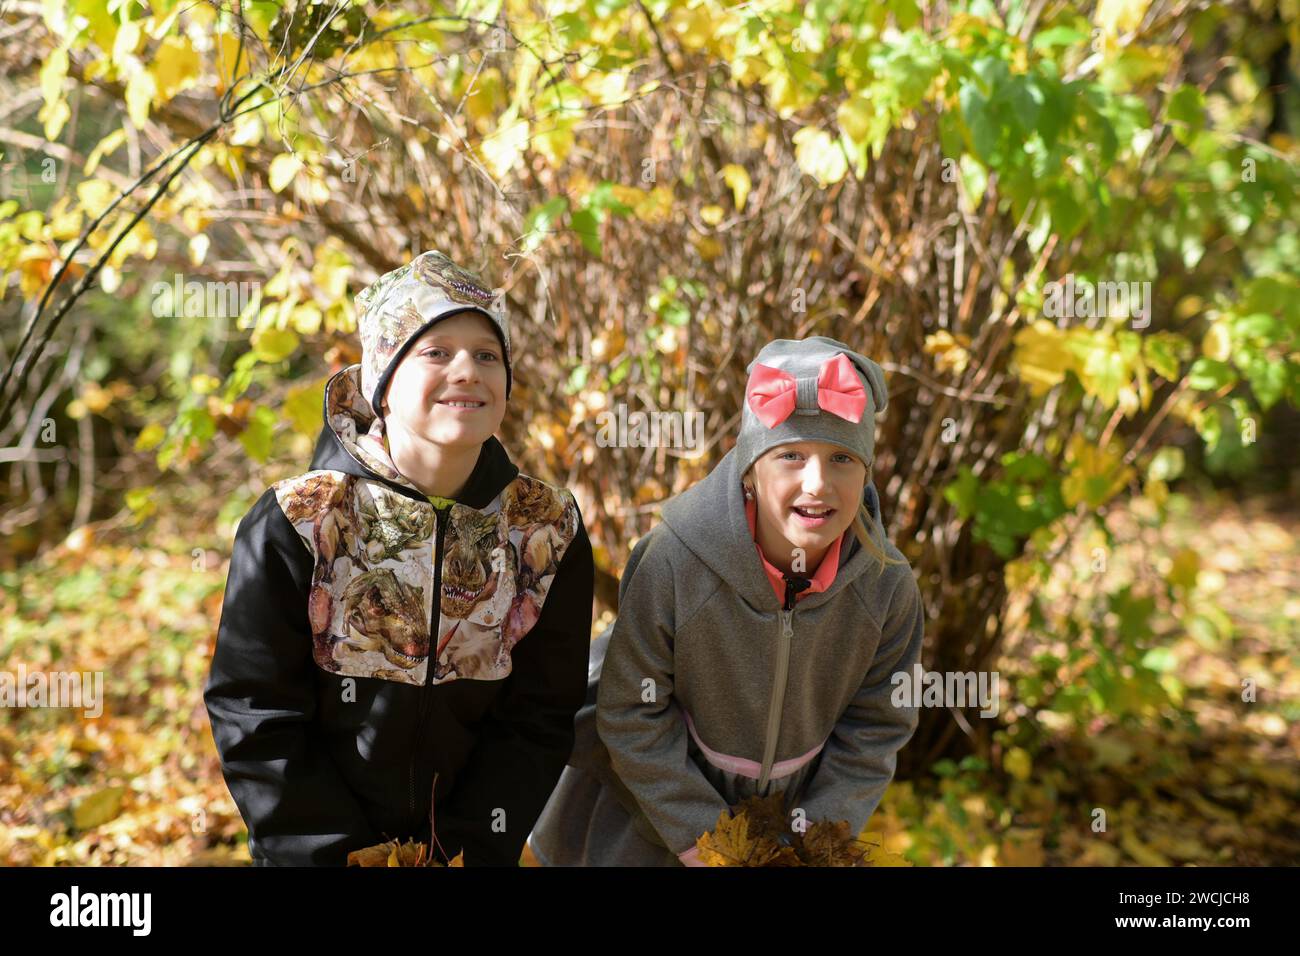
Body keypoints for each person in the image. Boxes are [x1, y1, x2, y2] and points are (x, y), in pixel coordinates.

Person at [204, 250, 594, 866]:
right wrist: (332, 854)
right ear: (382, 381)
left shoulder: (546, 529)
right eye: (436, 352)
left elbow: (539, 717)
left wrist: (463, 852)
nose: (467, 370)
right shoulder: (301, 520)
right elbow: (254, 709)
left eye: (487, 354)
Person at [526, 335, 924, 866]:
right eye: (790, 455)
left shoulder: (886, 587)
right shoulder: (675, 561)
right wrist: (709, 846)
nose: (818, 482)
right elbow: (630, 712)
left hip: (787, 825)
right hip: (650, 816)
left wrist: (817, 835)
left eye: (842, 458)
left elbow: (877, 726)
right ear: (750, 468)